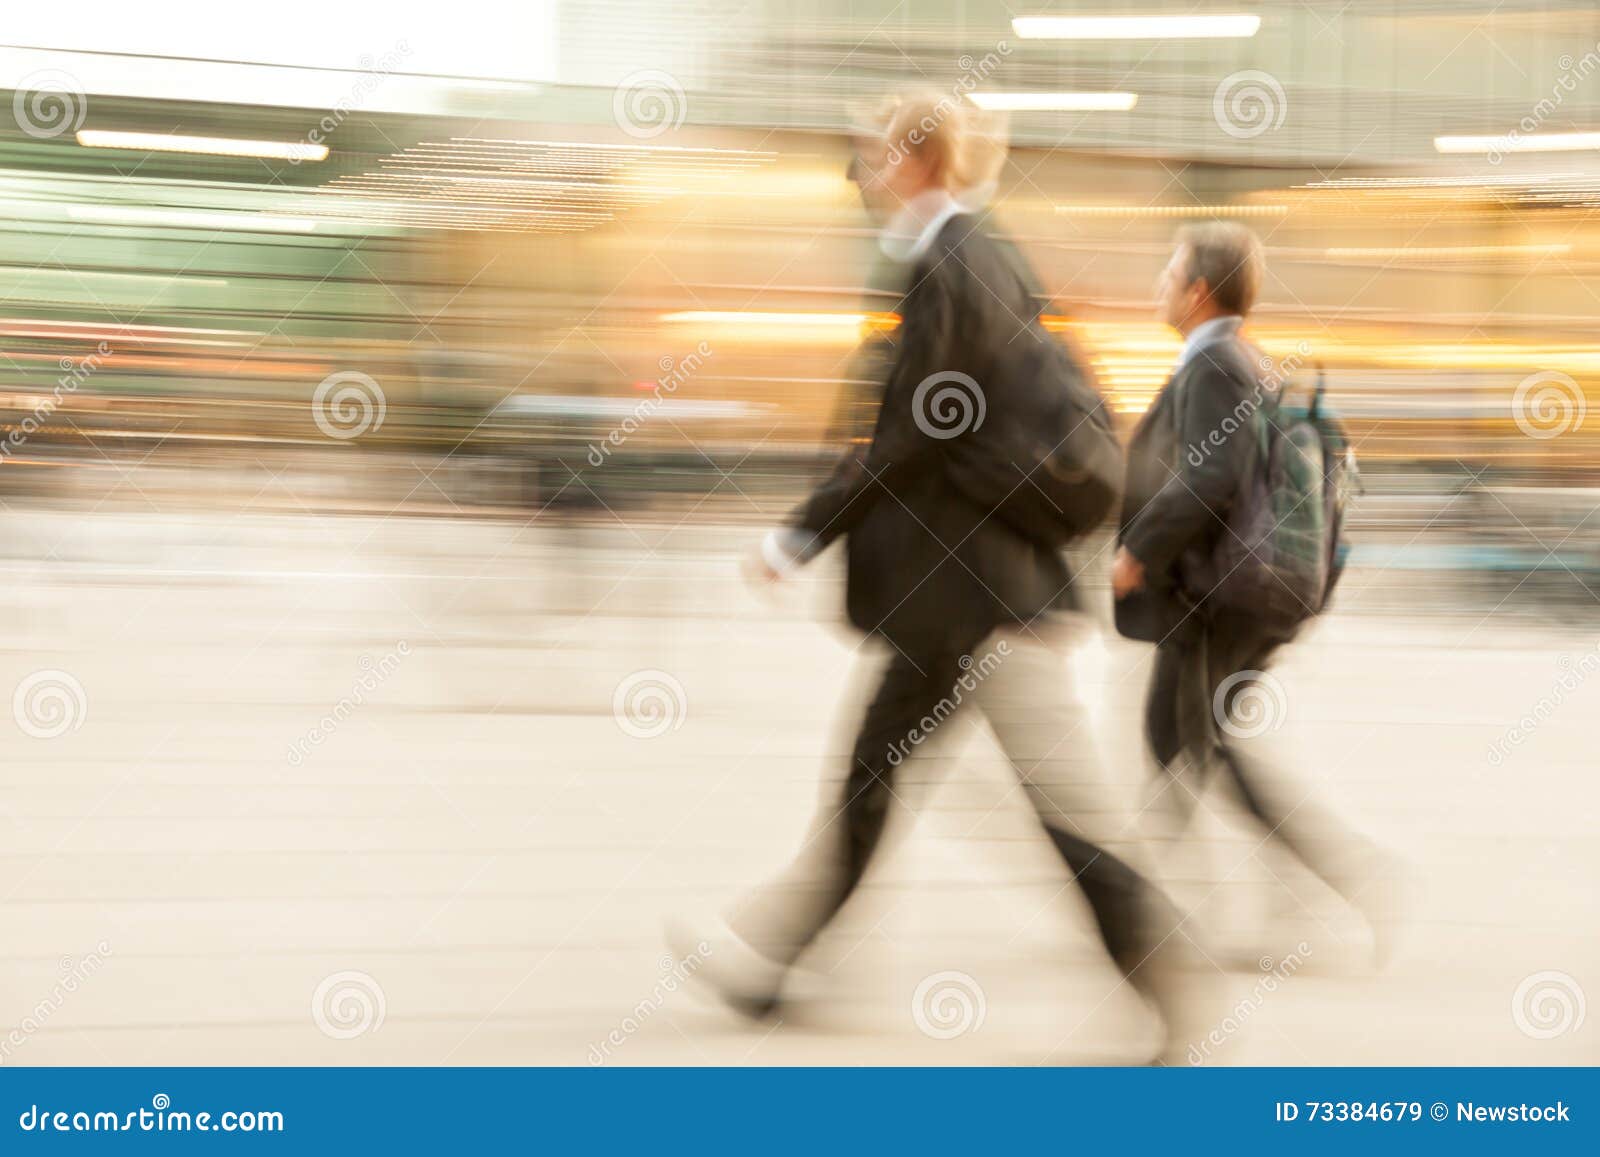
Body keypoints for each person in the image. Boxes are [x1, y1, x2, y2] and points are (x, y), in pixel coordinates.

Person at [670, 91, 1194, 1060]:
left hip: (971, 595)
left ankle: (1163, 972)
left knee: (1028, 800)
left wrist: (799, 534)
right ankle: (774, 960)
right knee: (874, 779)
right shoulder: (976, 255)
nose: (865, 173)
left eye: (875, 154)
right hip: (969, 590)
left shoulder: (952, 264)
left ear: (915, 159)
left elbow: (915, 434)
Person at [1112, 223, 1399, 963]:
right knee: (1184, 737)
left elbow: (1210, 477)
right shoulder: (1248, 362)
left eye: (1169, 272)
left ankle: (1156, 918)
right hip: (1247, 591)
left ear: (1198, 291)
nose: (1159, 286)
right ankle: (1162, 909)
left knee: (1190, 739)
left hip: (1221, 595)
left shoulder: (1214, 366)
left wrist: (1140, 549)